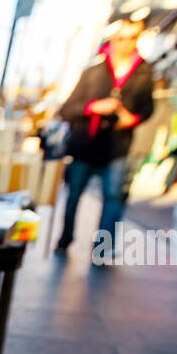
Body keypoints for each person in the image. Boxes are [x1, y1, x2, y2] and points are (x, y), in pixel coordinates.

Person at [54, 18, 154, 260]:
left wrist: (132, 118)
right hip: (85, 146)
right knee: (74, 195)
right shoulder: (94, 70)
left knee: (114, 199)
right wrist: (95, 106)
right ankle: (65, 239)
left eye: (132, 38)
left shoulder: (144, 72)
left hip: (117, 147)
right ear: (113, 40)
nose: (126, 44)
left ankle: (103, 248)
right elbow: (67, 109)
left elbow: (148, 109)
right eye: (121, 38)